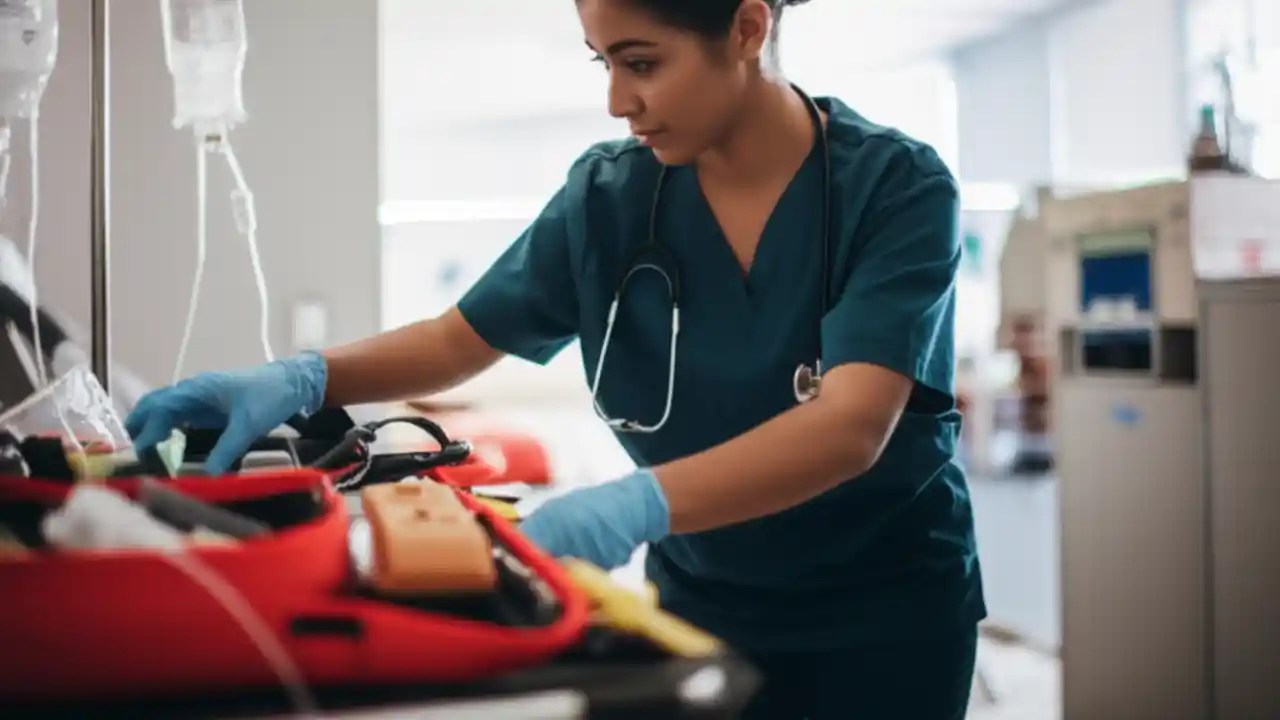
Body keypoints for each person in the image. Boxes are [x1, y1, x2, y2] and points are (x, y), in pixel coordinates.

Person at [126, 0, 986, 716]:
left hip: (884, 617)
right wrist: (303, 378)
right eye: (602, 63)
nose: (617, 100)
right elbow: (457, 340)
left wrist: (631, 506)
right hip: (704, 605)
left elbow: (849, 427)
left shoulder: (896, 189)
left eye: (641, 62)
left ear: (747, 28)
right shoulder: (611, 195)